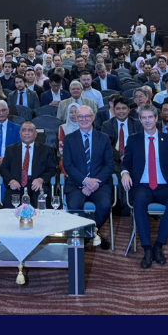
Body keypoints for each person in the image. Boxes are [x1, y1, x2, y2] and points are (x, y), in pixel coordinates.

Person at [120, 106, 168, 269]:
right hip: (142, 185)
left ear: (156, 119)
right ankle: (147, 248)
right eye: (144, 118)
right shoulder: (133, 140)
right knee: (139, 201)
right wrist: (125, 173)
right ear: (140, 120)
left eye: (150, 117)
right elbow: (125, 163)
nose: (147, 121)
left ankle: (159, 246)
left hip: (164, 185)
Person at [63, 105, 114, 250]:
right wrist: (86, 181)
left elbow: (109, 165)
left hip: (100, 184)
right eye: (80, 117)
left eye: (87, 116)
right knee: (74, 207)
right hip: (76, 184)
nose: (84, 119)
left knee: (104, 206)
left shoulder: (104, 138)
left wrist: (95, 183)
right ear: (76, 119)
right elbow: (68, 165)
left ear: (93, 118)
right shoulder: (69, 139)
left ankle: (85, 236)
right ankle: (94, 235)